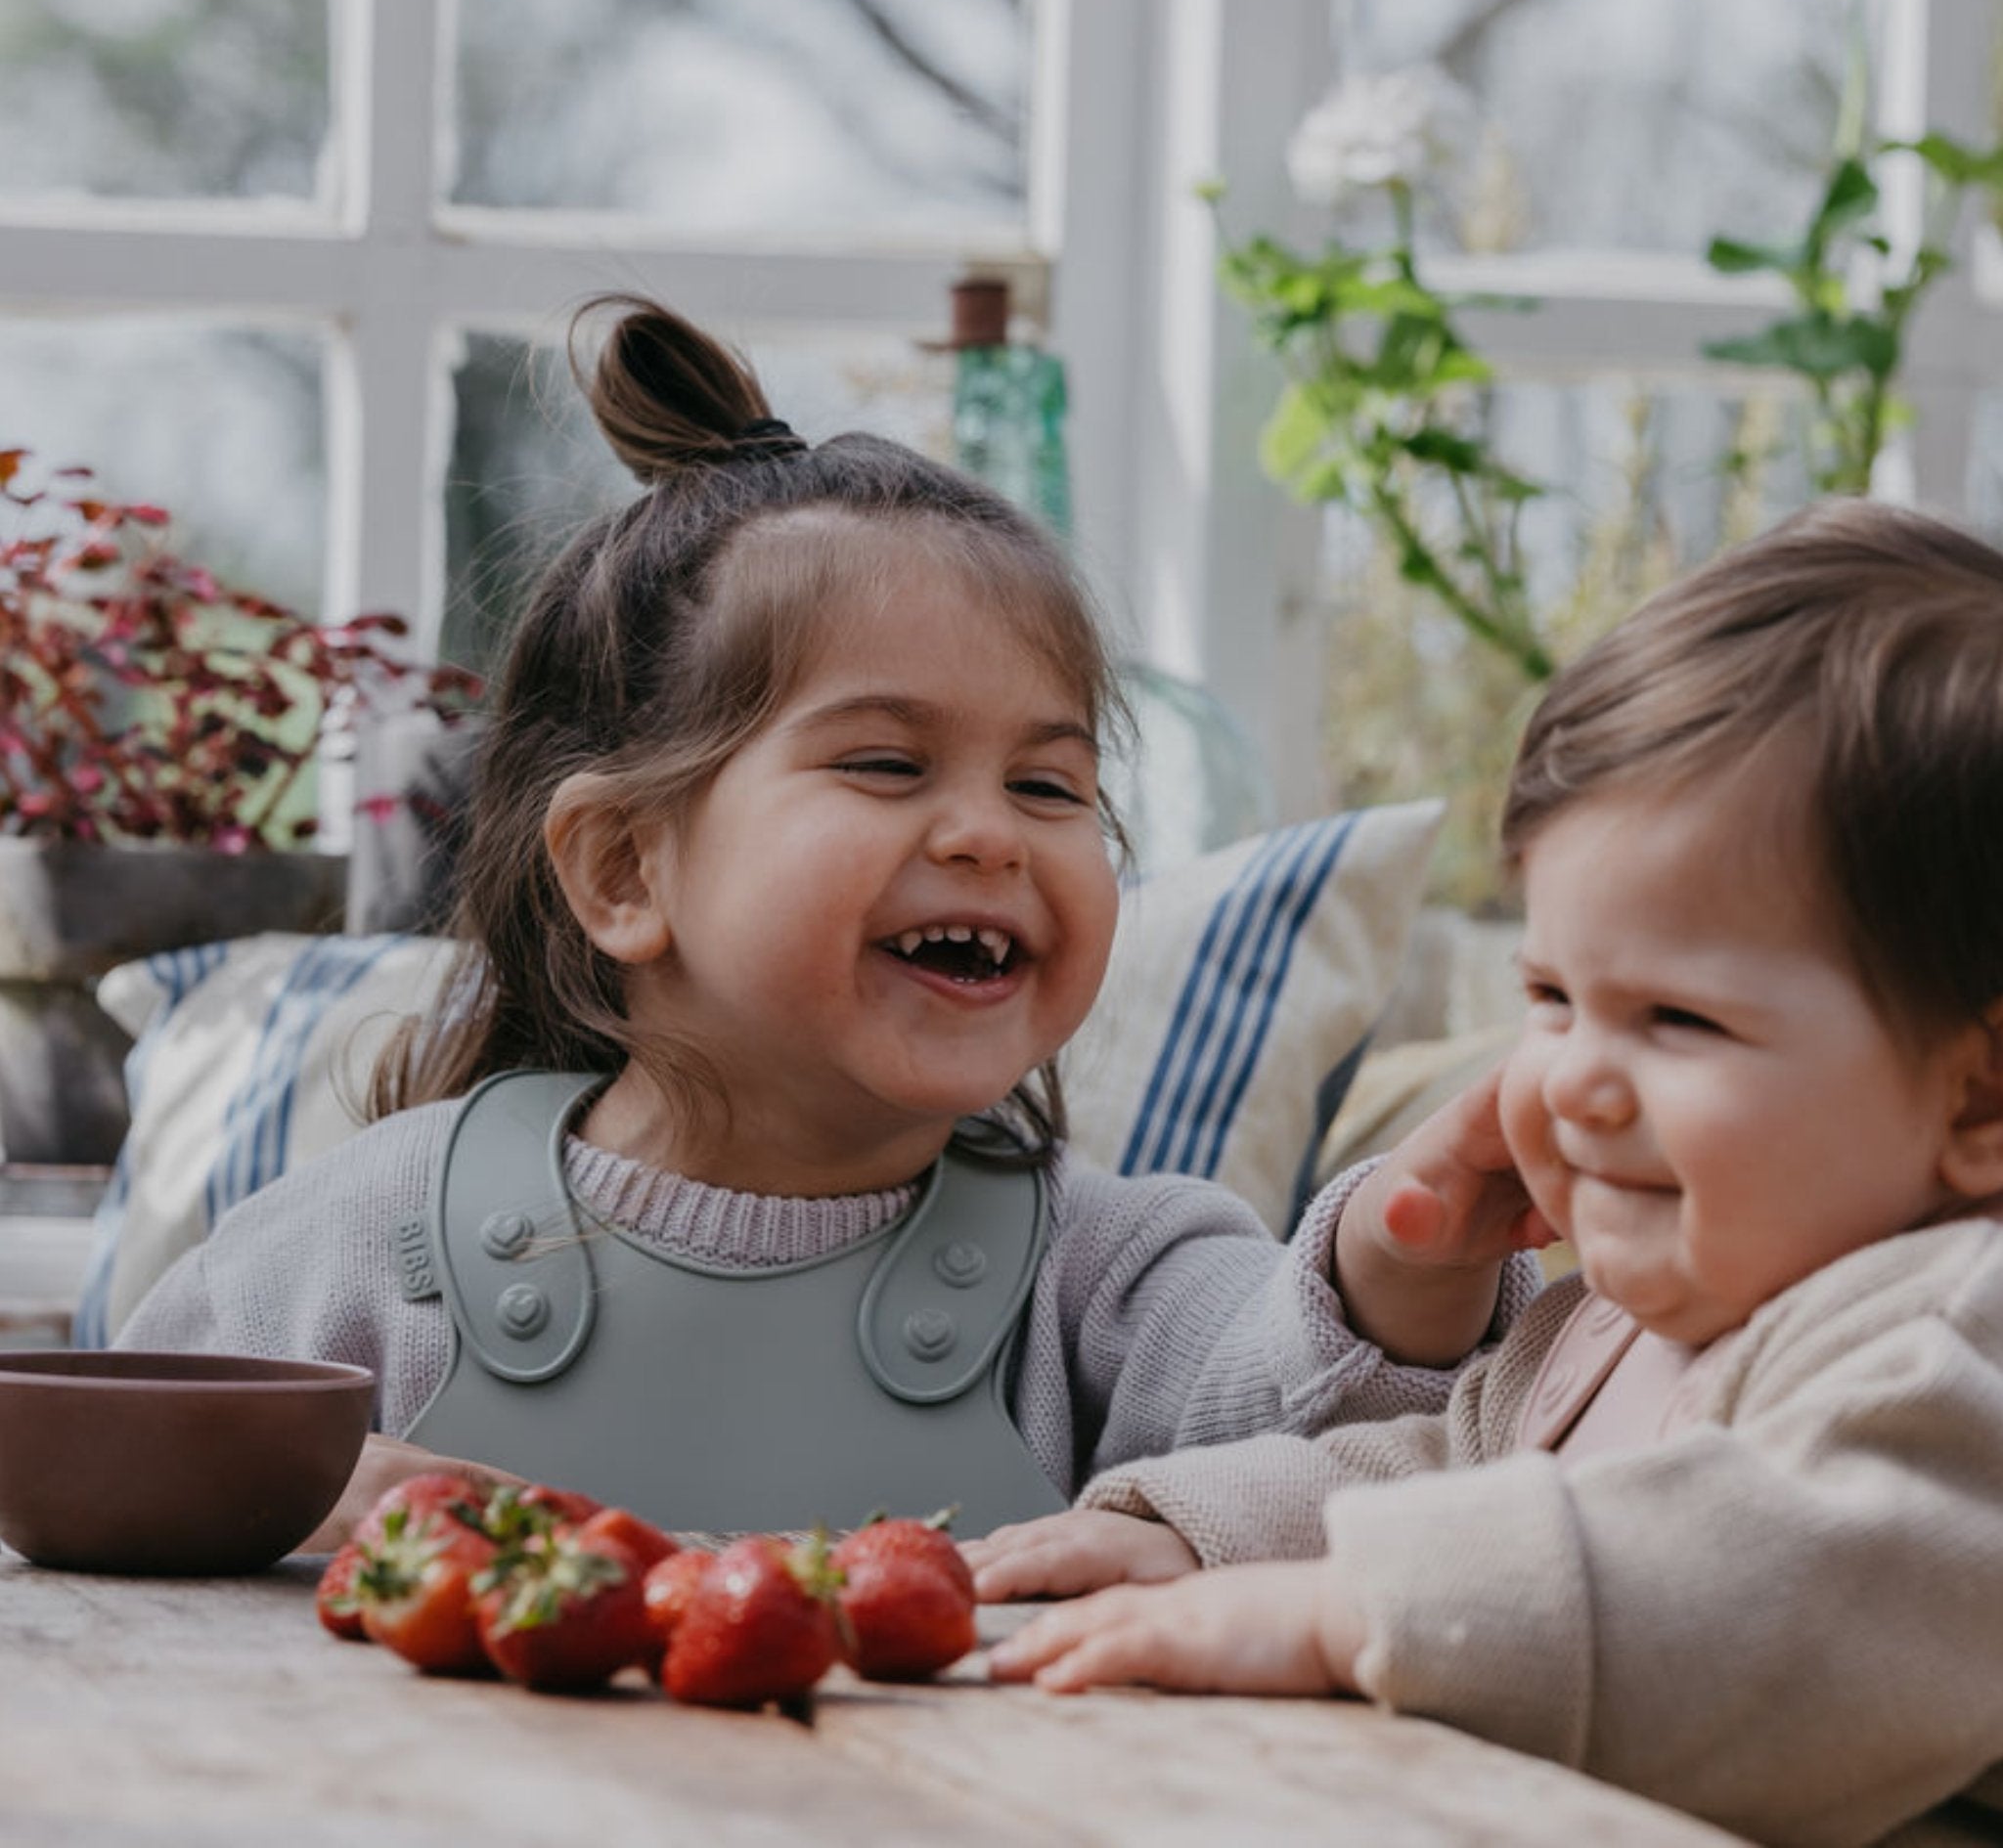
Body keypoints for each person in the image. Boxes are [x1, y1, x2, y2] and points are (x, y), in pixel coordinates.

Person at [115, 295, 1541, 1546]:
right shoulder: (369, 1233)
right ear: (622, 870)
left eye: (1051, 784)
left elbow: (1307, 1442)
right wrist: (277, 1489)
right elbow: (109, 1485)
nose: (991, 831)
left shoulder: (1112, 1269)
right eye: (885, 763)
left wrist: (1402, 1261)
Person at [971, 501, 2003, 1848]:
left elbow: (1797, 1595)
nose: (1570, 1079)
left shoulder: (1960, 1333)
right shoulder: (1613, 1325)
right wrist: (1212, 1540)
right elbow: (1458, 1483)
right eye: (1553, 996)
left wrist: (1349, 1616)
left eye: (1678, 1021)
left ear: (1976, 1096)